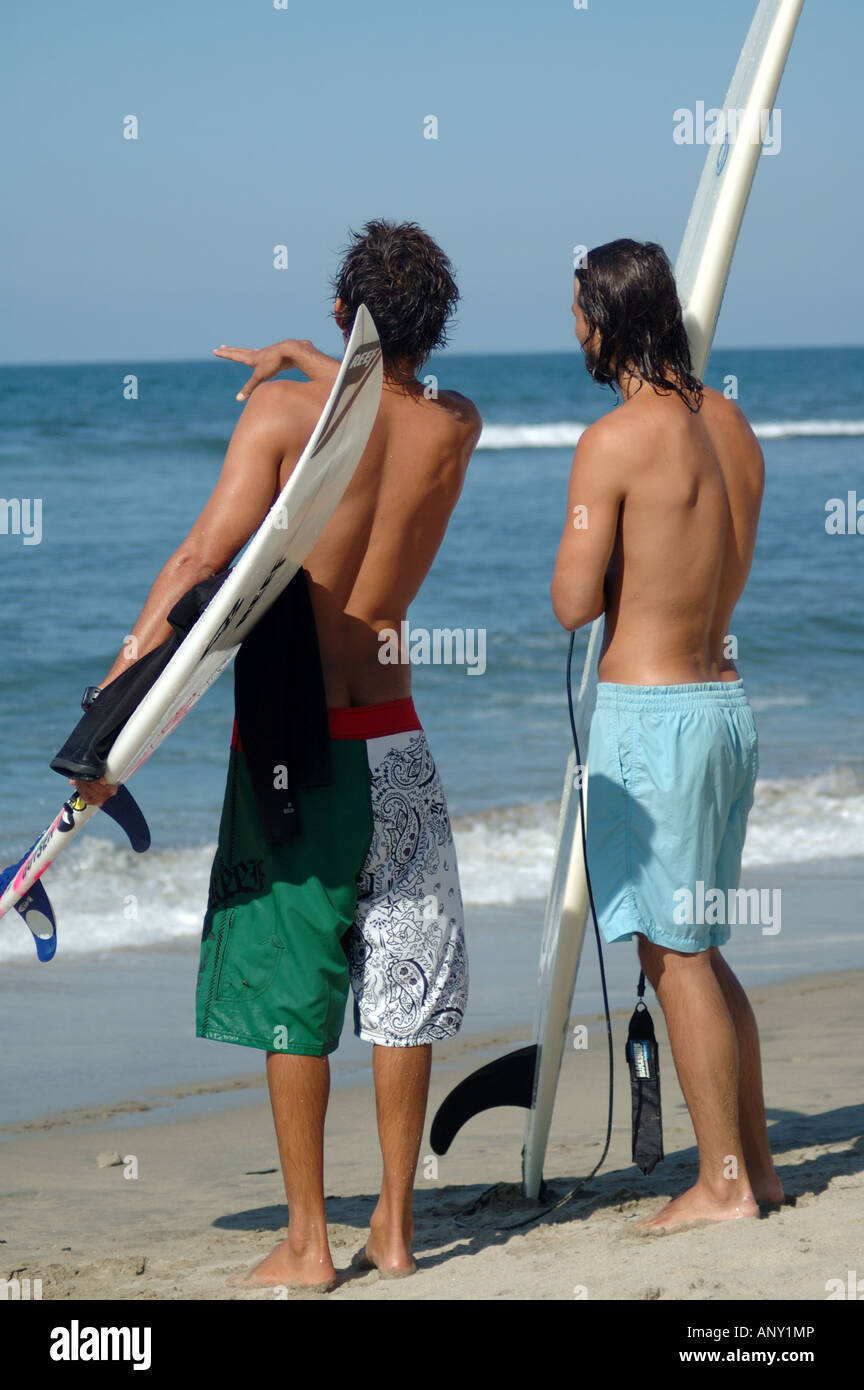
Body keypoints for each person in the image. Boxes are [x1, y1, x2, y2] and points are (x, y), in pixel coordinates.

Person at [74, 220, 481, 1287]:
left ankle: (307, 1245)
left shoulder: (281, 417)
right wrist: (315, 354)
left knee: (294, 991)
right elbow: (390, 393)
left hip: (299, 757)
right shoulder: (455, 430)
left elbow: (201, 562)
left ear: (343, 315)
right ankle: (394, 1229)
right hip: (400, 744)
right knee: (402, 983)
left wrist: (113, 711)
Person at [551, 238, 782, 1234]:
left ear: (610, 321)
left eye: (579, 318)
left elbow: (570, 601)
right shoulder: (734, 426)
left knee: (672, 954)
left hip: (651, 723)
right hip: (724, 707)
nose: (575, 336)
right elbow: (713, 569)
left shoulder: (614, 440)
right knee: (701, 948)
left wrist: (605, 561)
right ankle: (758, 1169)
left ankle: (722, 1182)